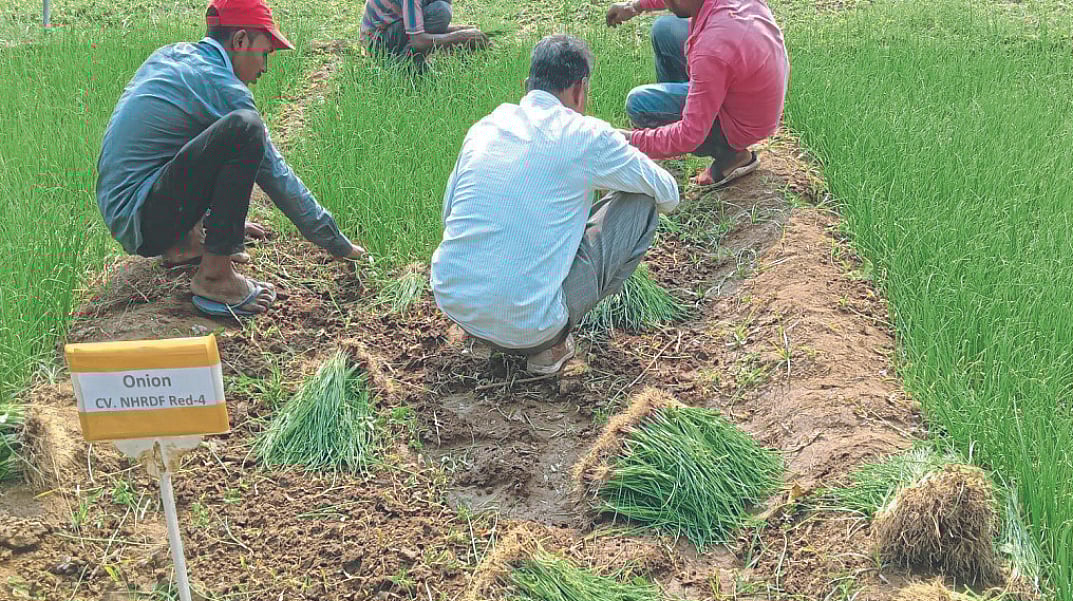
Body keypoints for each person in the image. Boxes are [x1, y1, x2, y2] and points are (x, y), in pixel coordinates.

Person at [96, 0, 365, 318]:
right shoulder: (220, 84)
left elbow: (184, 154)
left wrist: (223, 223)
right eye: (264, 53)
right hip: (142, 217)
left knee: (217, 131)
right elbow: (275, 173)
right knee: (246, 129)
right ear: (240, 40)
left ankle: (186, 245)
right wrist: (335, 241)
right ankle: (215, 277)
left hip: (128, 211)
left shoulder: (174, 55)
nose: (264, 67)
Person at [431, 35, 680, 375]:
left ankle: (478, 336)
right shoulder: (588, 135)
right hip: (531, 324)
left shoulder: (484, 128)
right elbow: (667, 192)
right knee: (642, 198)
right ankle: (551, 346)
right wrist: (615, 161)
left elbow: (448, 214)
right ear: (579, 89)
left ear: (528, 86)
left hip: (454, 301)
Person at [606, 0, 789, 188]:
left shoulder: (712, 47)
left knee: (639, 105)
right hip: (751, 93)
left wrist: (629, 140)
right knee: (664, 30)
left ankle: (731, 155)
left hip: (742, 124)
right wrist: (635, 6)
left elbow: (690, 134)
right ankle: (673, 133)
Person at [361, 0, 489, 63]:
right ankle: (407, 69)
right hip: (377, 44)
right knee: (441, 11)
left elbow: (417, 24)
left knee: (441, 10)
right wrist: (460, 37)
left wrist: (459, 32)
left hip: (390, 31)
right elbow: (418, 41)